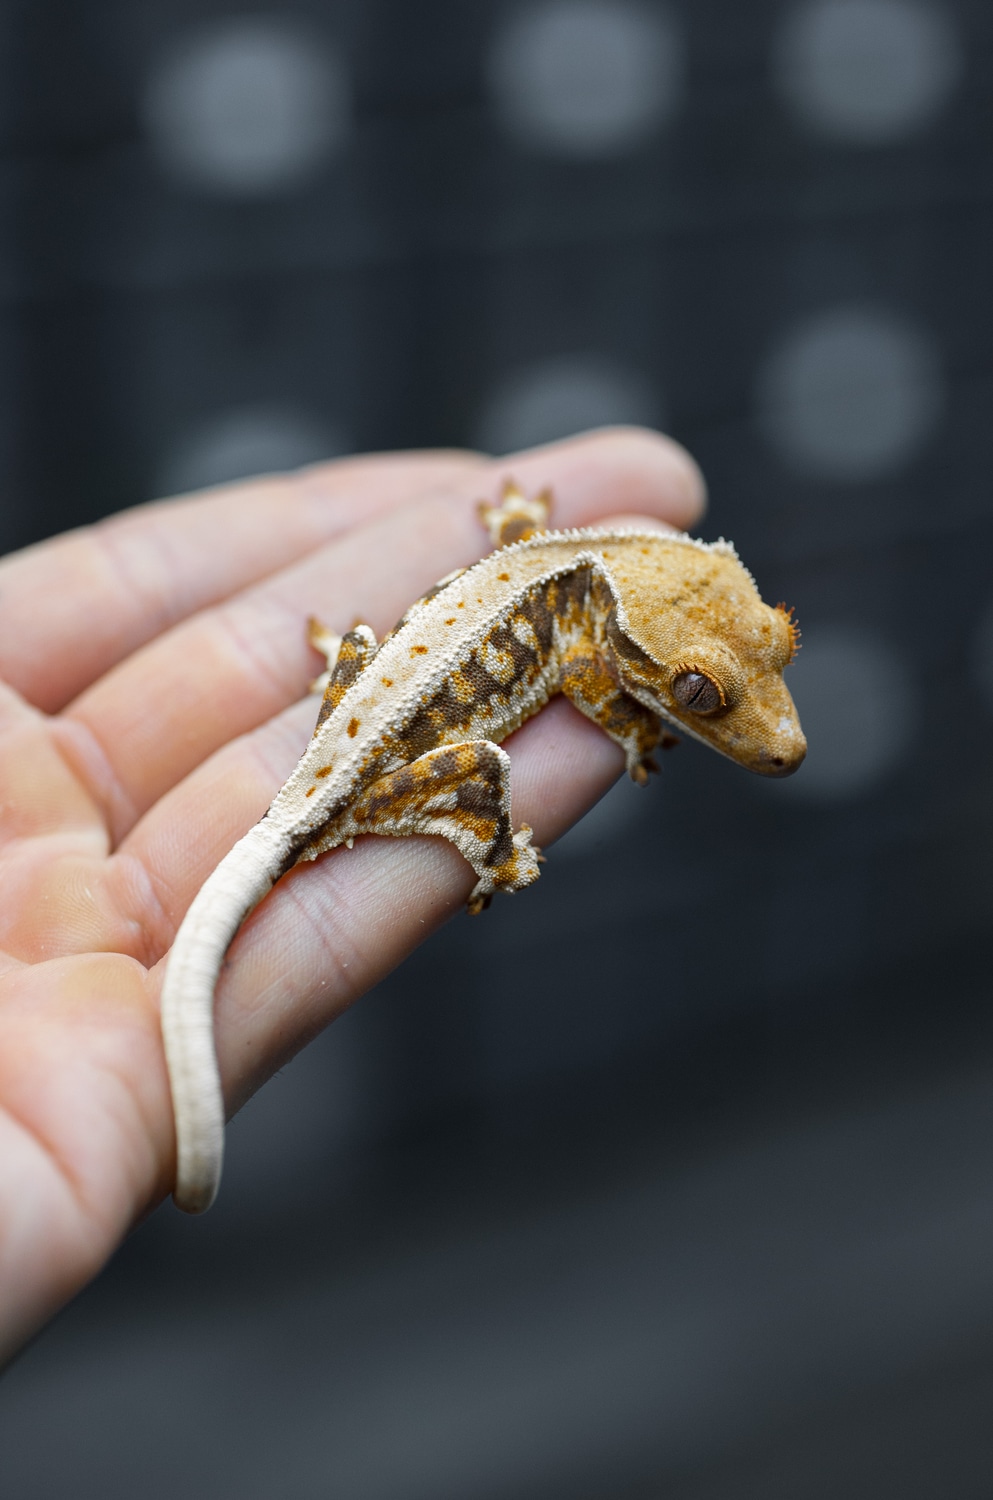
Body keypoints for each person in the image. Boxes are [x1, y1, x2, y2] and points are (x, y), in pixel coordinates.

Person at [0, 427, 704, 1363]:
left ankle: (393, 729)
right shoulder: (566, 606)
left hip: (352, 719)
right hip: (363, 779)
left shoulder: (551, 580)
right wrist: (492, 846)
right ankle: (486, 845)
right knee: (486, 771)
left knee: (381, 664)